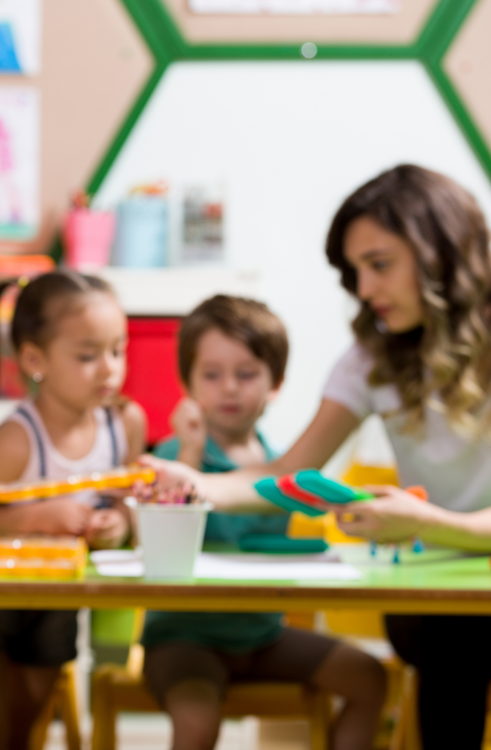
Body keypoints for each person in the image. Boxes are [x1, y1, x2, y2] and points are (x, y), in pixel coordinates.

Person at [143, 164, 491, 748]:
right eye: (355, 272)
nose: (365, 289)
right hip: (445, 600)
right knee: (450, 636)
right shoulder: (371, 360)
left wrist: (425, 522)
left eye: (379, 264)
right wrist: (194, 482)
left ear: (440, 252)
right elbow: (288, 474)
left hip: (459, 583)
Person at [141, 295, 386, 750]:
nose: (229, 388)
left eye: (246, 374)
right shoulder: (174, 457)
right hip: (182, 639)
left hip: (262, 636)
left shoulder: (285, 467)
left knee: (368, 677)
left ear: (276, 384)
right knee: (197, 724)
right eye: (212, 375)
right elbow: (164, 532)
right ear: (187, 382)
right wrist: (190, 453)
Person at [0, 270, 147, 750]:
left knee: (26, 727)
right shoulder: (17, 440)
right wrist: (34, 518)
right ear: (34, 359)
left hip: (58, 603)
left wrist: (120, 521)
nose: (109, 369)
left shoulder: (125, 424)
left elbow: (131, 499)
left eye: (118, 350)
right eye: (88, 356)